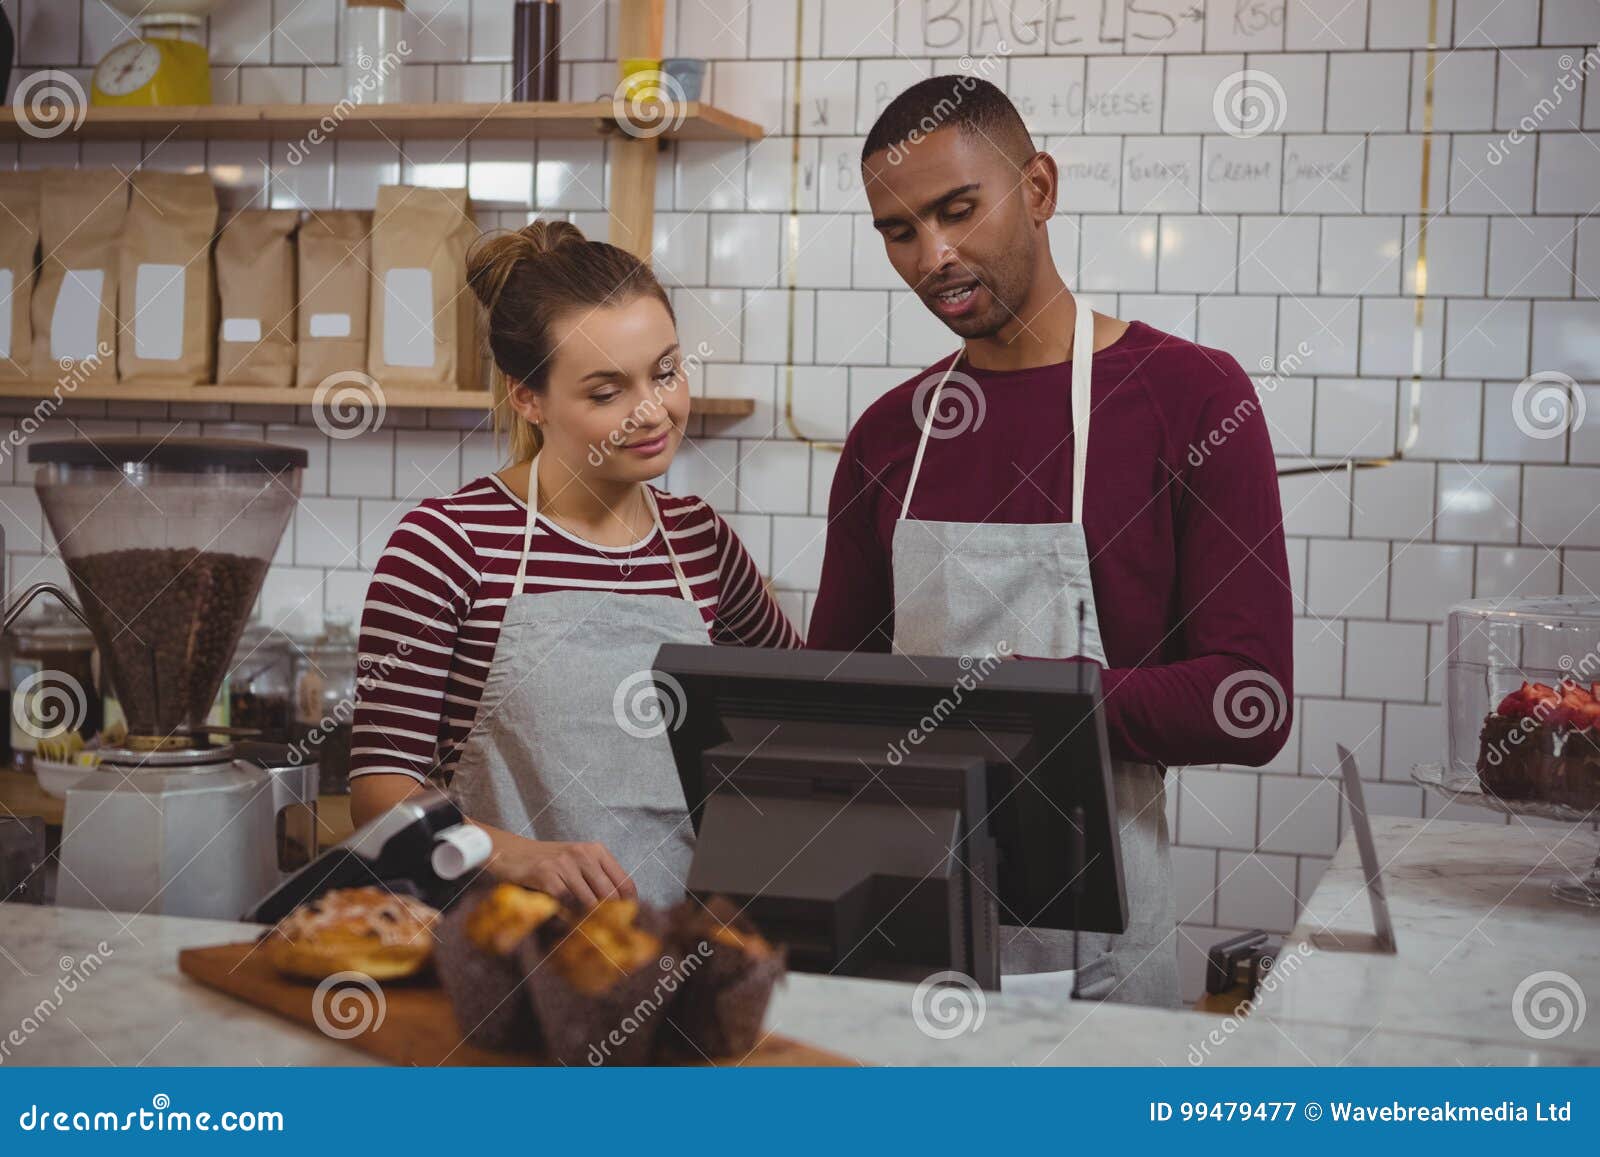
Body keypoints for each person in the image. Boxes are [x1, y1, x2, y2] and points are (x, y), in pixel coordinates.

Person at [808, 76, 1293, 1008]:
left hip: (1097, 944)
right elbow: (839, 692)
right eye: (900, 231)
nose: (933, 256)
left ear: (1038, 188)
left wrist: (1023, 702)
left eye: (958, 211)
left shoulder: (1191, 397)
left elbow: (1251, 699)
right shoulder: (889, 435)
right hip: (900, 929)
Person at [348, 220, 801, 909]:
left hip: (683, 952)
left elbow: (796, 724)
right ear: (528, 397)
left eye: (667, 371)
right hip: (500, 955)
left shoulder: (701, 543)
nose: (652, 411)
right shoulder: (446, 545)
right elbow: (381, 797)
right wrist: (522, 857)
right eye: (605, 391)